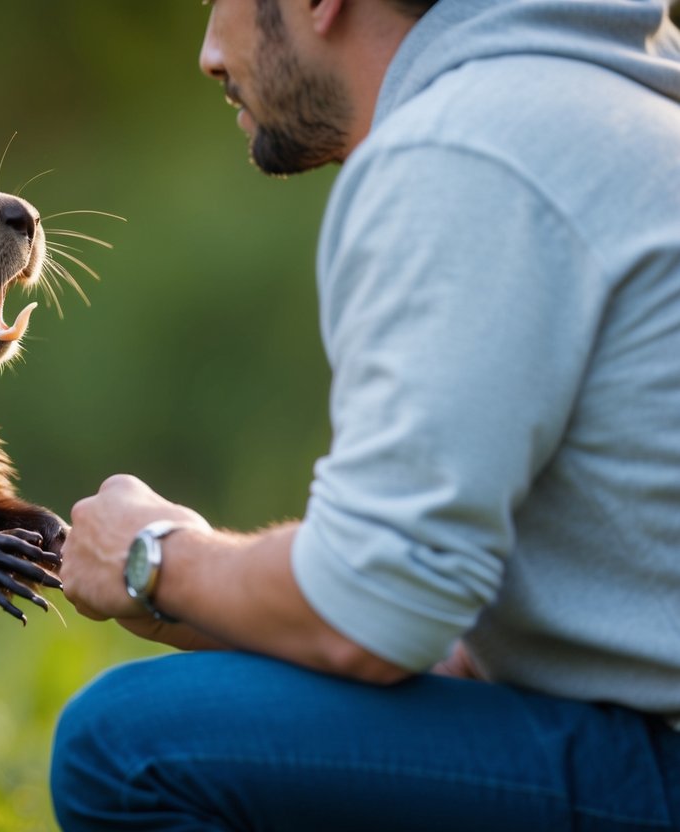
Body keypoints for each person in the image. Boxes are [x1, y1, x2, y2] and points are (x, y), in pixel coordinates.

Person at [49, 0, 680, 828]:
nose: (209, 50)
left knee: (127, 744)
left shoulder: (466, 149)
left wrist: (154, 557)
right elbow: (455, 646)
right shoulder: (604, 113)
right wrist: (210, 597)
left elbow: (372, 614)